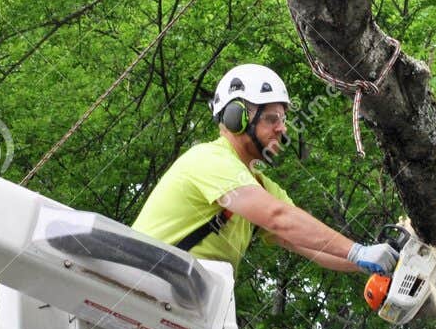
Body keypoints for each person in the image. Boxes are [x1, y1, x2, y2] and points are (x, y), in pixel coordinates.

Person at [131, 64, 400, 276]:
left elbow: (310, 246)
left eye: (283, 120)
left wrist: (368, 261)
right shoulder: (209, 158)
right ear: (236, 118)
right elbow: (277, 216)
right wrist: (356, 251)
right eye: (272, 119)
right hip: (137, 281)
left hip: (179, 297)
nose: (282, 129)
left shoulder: (261, 187)